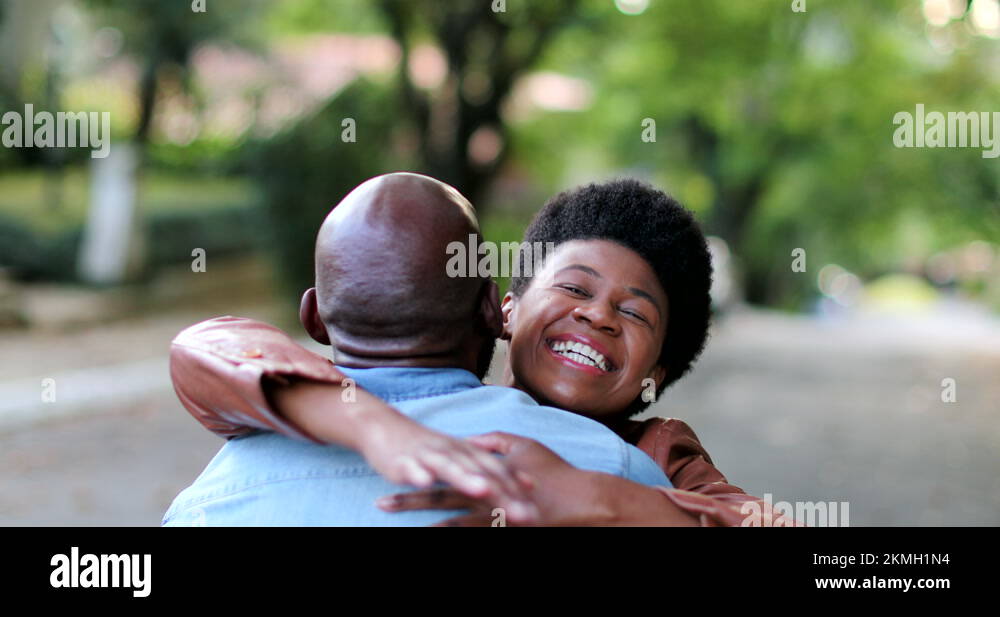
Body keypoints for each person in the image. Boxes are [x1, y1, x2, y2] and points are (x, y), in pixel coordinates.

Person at [168, 175, 796, 526]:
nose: (599, 315)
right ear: (502, 312)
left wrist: (596, 497)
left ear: (657, 372)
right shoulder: (364, 416)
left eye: (634, 313)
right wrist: (374, 425)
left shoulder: (651, 457)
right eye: (575, 287)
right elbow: (215, 348)